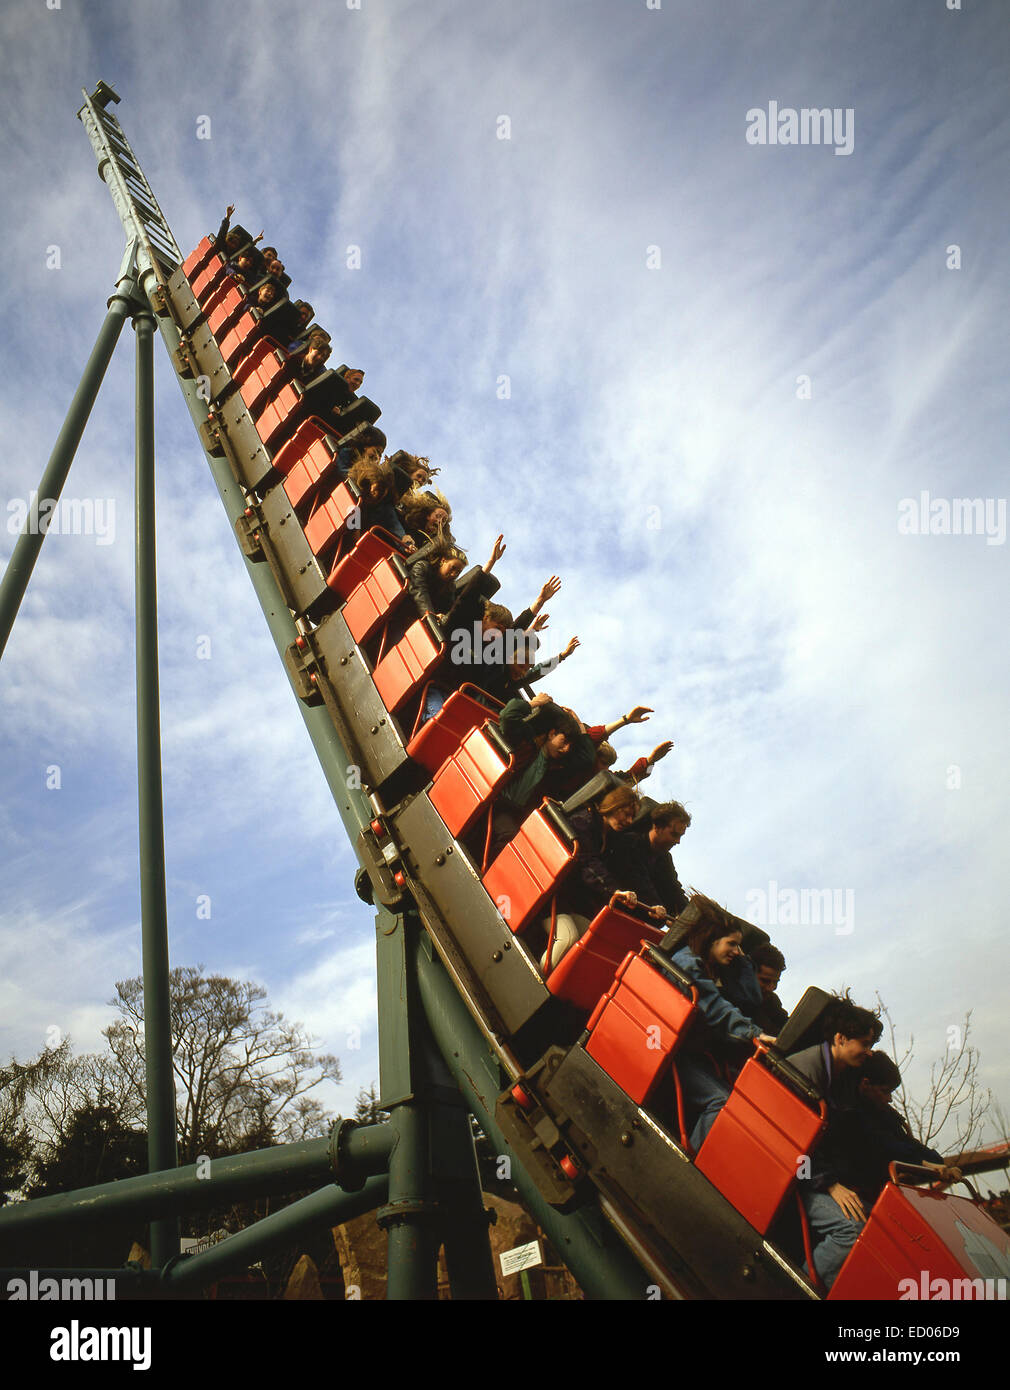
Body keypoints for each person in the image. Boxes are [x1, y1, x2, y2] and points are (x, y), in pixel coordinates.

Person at [787, 994, 883, 1290]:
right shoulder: (806, 1071)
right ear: (841, 1039)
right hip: (792, 1174)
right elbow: (791, 1138)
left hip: (811, 1172)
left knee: (874, 1219)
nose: (868, 1052)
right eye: (865, 1044)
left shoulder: (841, 1077)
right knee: (852, 1229)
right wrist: (829, 1183)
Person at [670, 899, 776, 1151]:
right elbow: (714, 1009)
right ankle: (690, 1167)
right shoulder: (689, 963)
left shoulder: (716, 970)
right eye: (732, 944)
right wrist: (754, 1034)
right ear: (712, 939)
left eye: (739, 946)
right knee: (722, 1101)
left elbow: (751, 998)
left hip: (695, 1050)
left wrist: (742, 962)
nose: (736, 951)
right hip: (673, 1050)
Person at [621, 801, 691, 918]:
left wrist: (689, 914)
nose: (678, 841)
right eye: (674, 834)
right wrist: (657, 906)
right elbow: (638, 881)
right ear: (657, 827)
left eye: (680, 836)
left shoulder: (664, 859)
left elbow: (674, 890)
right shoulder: (630, 844)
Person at [748, 942, 789, 1033]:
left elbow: (787, 1026)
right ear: (749, 974)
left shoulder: (772, 1000)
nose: (771, 988)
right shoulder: (729, 1000)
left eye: (775, 982)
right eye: (765, 981)